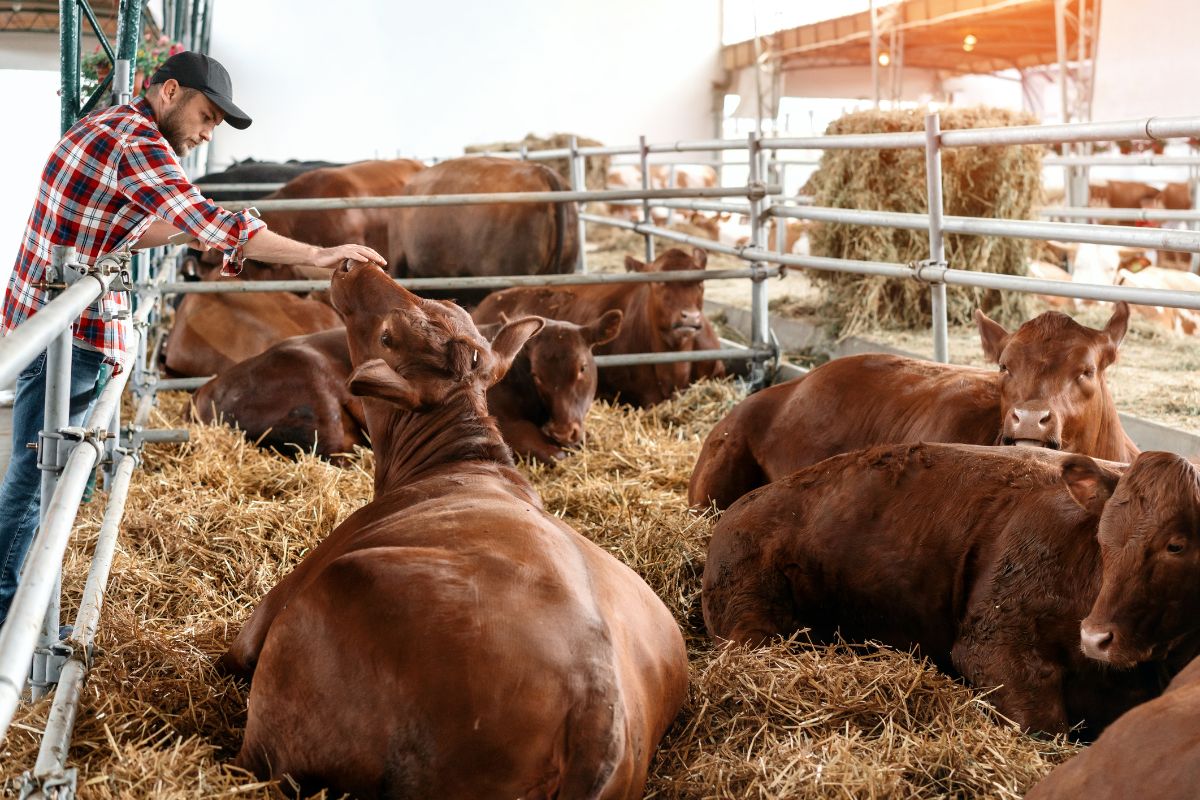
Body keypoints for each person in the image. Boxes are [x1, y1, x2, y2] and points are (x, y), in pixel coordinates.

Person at [0, 51, 385, 628]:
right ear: (170, 92)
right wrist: (314, 254)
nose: (207, 135)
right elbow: (208, 221)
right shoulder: (139, 140)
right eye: (207, 117)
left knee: (55, 479)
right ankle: (12, 623)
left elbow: (135, 224)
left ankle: (27, 601)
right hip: (68, 340)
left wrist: (195, 225)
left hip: (65, 330)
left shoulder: (111, 129)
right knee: (34, 485)